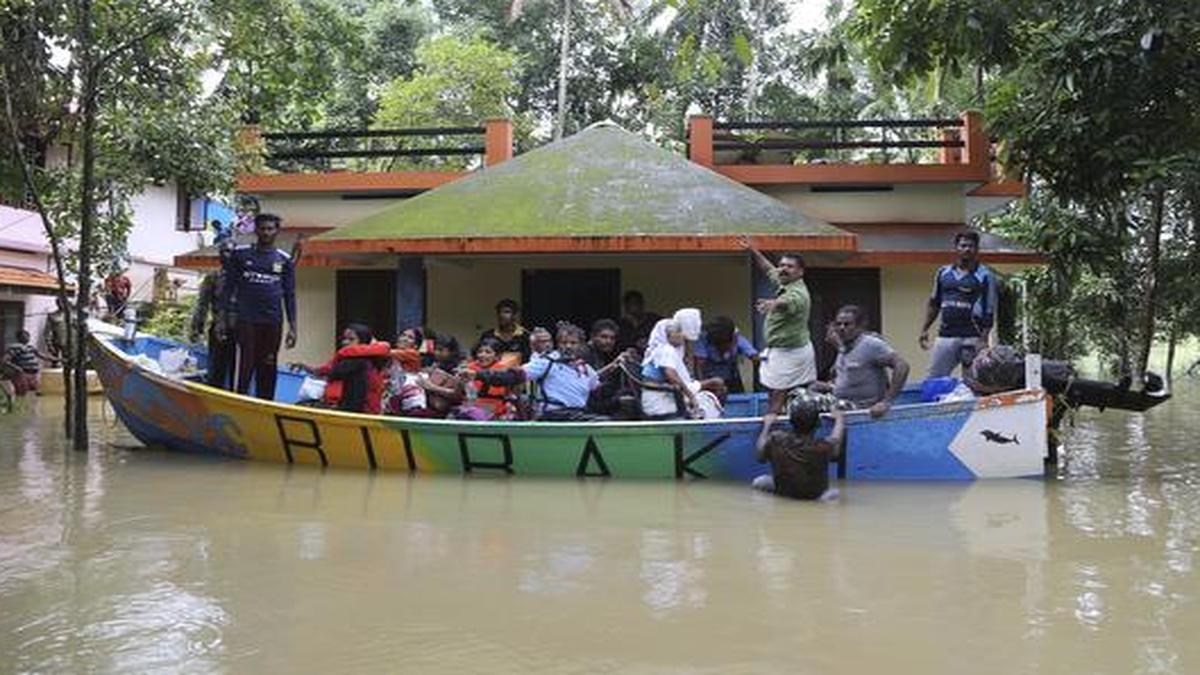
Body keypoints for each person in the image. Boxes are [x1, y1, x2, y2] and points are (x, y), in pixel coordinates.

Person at [222, 213, 297, 400]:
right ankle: (240, 400)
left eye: (270, 229)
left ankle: (266, 403)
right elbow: (228, 288)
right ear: (256, 230)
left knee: (269, 363)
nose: (266, 232)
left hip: (273, 321)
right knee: (246, 363)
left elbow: (289, 294)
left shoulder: (284, 260)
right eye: (262, 228)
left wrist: (293, 328)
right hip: (246, 319)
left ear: (277, 232)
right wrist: (221, 319)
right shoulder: (241, 255)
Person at [745, 240, 815, 415]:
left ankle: (771, 430)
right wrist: (754, 250)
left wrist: (774, 304)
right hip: (779, 350)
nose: (783, 269)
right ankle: (779, 420)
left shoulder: (799, 293)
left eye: (790, 266)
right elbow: (768, 269)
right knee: (775, 394)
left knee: (778, 395)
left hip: (792, 352)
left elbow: (789, 302)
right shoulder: (785, 281)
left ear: (800, 272)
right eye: (782, 265)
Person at [806, 306, 910, 417]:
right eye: (838, 324)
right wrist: (829, 386)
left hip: (859, 407)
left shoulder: (870, 344)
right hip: (840, 402)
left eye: (847, 324)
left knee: (805, 403)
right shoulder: (844, 348)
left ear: (859, 327)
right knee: (799, 393)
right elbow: (849, 380)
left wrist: (886, 402)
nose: (841, 328)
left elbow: (902, 366)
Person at [919, 231, 998, 378]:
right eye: (963, 245)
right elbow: (934, 302)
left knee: (974, 381)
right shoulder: (943, 273)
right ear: (956, 248)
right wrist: (925, 329)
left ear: (977, 249)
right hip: (946, 336)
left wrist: (983, 339)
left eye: (971, 246)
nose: (967, 249)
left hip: (973, 337)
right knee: (934, 379)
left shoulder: (985, 275)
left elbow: (989, 308)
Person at [753, 402, 846, 501]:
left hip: (783, 493)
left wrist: (767, 425)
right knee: (836, 494)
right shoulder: (823, 447)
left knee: (759, 482)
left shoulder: (776, 440)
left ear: (791, 423)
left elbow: (760, 456)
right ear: (818, 424)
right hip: (815, 497)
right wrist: (839, 420)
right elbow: (835, 441)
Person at [294, 324, 391, 413]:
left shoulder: (360, 362)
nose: (345, 342)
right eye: (344, 338)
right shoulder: (350, 360)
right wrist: (307, 368)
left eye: (351, 339)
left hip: (360, 415)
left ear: (363, 341)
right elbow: (326, 370)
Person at [640, 319, 722, 419]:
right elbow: (671, 375)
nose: (682, 335)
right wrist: (690, 396)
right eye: (678, 332)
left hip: (664, 396)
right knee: (713, 390)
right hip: (661, 401)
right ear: (667, 335)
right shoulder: (666, 350)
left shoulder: (661, 349)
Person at [189, 268, 236, 389]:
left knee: (234, 374)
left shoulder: (245, 276)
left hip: (243, 332)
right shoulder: (214, 276)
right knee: (217, 372)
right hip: (219, 329)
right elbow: (202, 304)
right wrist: (197, 327)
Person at [695, 315, 759, 394]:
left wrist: (757, 387)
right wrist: (701, 386)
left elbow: (755, 358)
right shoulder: (703, 339)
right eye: (718, 346)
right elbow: (699, 364)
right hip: (709, 381)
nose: (722, 348)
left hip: (732, 380)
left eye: (725, 345)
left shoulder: (736, 338)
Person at [458, 338, 518, 420]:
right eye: (480, 352)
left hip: (495, 407)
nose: (482, 355)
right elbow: (461, 393)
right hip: (470, 405)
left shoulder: (504, 372)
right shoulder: (469, 368)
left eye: (488, 352)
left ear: (497, 356)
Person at [582, 318, 630, 415]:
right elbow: (587, 380)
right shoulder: (584, 353)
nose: (608, 341)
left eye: (612, 338)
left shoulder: (601, 353)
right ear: (592, 337)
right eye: (604, 337)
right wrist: (613, 364)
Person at [479, 299, 531, 366]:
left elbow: (530, 360)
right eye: (499, 312)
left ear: (515, 315)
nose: (501, 315)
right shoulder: (488, 335)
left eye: (506, 312)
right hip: (492, 374)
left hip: (518, 374)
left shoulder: (526, 336)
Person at [2, 330, 46, 401]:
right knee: (21, 394)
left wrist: (59, 359)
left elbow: (42, 356)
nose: (27, 338)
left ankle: (31, 410)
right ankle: (19, 408)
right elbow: (4, 360)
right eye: (24, 336)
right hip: (23, 373)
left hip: (33, 374)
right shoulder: (15, 347)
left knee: (34, 394)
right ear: (19, 338)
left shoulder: (30, 347)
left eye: (28, 336)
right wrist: (17, 368)